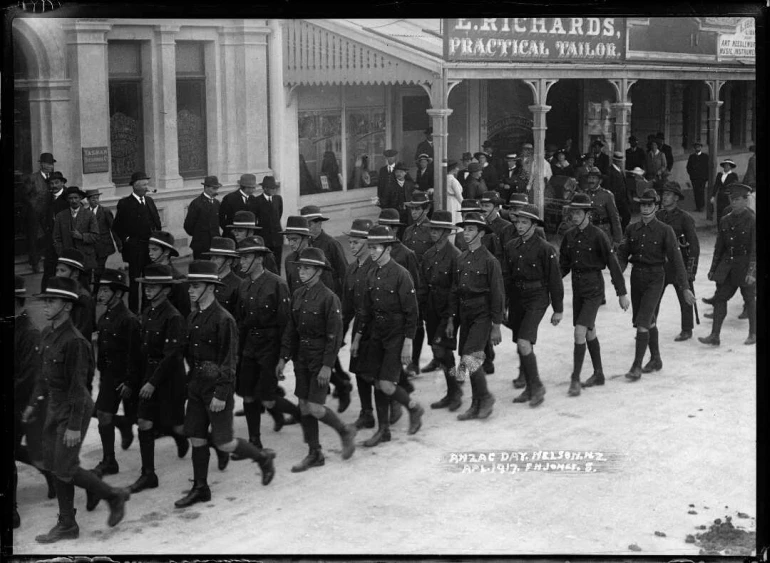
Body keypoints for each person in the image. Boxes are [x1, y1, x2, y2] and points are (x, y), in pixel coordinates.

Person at [23, 276, 130, 543]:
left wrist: (73, 425)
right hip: (54, 406)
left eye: (52, 301)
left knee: (64, 466)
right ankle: (78, 514)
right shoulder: (48, 334)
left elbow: (79, 388)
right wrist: (33, 403)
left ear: (68, 306)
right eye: (45, 300)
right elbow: (42, 376)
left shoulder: (76, 342)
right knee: (56, 464)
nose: (46, 305)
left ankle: (103, 501)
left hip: (73, 409)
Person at [175, 261, 276, 508]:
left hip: (217, 389)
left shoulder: (224, 320)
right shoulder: (193, 316)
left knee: (224, 442)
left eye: (195, 286)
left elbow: (229, 361)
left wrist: (221, 393)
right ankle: (201, 488)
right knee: (196, 437)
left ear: (210, 287)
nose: (190, 290)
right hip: (197, 387)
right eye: (190, 286)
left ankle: (262, 458)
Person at [278, 248, 356, 471]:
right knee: (303, 405)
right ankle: (315, 453)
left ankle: (344, 431)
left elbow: (335, 335)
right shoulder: (298, 294)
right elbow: (291, 329)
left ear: (319, 271)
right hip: (301, 358)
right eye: (300, 268)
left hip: (319, 359)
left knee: (315, 407)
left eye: (307, 268)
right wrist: (283, 358)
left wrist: (327, 366)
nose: (301, 272)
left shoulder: (329, 298)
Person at [351, 226, 424, 445]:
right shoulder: (372, 273)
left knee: (386, 384)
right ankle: (383, 430)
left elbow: (412, 313)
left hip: (396, 335)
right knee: (376, 381)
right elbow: (365, 310)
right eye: (371, 247)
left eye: (377, 247)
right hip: (377, 333)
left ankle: (414, 408)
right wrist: (357, 338)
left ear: (388, 249)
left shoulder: (401, 274)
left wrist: (408, 342)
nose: (372, 251)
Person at [230, 235, 301, 459]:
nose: (241, 262)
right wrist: (237, 352)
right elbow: (241, 321)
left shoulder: (277, 284)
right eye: (240, 258)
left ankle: (299, 414)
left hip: (271, 346)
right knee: (248, 395)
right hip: (249, 346)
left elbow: (287, 324)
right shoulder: (243, 285)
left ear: (259, 259)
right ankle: (255, 442)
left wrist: (283, 357)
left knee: (267, 397)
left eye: (246, 257)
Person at [616, 188, 695, 381]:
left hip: (655, 277)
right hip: (637, 277)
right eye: (642, 205)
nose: (645, 208)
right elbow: (623, 255)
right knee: (646, 320)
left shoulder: (665, 230)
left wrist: (685, 287)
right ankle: (656, 359)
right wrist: (618, 275)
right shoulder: (631, 229)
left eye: (649, 205)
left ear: (656, 206)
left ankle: (636, 366)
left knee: (643, 322)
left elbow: (677, 260)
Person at [129, 264, 193, 494]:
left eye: (153, 286)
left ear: (165, 290)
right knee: (144, 422)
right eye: (146, 286)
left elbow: (172, 355)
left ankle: (212, 444)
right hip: (151, 373)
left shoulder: (173, 317)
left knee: (177, 425)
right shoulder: (148, 312)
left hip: (170, 379)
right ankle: (148, 474)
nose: (147, 290)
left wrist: (152, 383)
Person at [558, 194, 629, 395]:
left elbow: (613, 265)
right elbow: (563, 266)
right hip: (577, 287)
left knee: (579, 331)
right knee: (589, 331)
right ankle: (599, 374)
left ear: (588, 214)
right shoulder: (569, 236)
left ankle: (575, 379)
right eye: (572, 213)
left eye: (578, 213)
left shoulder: (599, 236)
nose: (574, 216)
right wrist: (549, 283)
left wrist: (621, 293)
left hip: (594, 288)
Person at [502, 205, 564, 407]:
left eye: (524, 222)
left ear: (534, 225)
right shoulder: (511, 246)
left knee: (523, 342)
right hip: (517, 298)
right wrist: (503, 304)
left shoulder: (545, 249)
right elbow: (506, 278)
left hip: (537, 297)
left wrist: (558, 309)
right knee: (521, 342)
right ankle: (529, 387)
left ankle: (537, 386)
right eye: (518, 222)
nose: (519, 226)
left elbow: (555, 280)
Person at [446, 212, 503, 419]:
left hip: (482, 313)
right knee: (466, 357)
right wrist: (451, 319)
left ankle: (486, 397)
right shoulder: (461, 258)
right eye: (465, 229)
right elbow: (455, 290)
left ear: (481, 233)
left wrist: (496, 325)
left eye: (471, 229)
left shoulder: (490, 261)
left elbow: (497, 294)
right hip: (465, 313)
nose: (466, 233)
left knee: (471, 357)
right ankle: (476, 403)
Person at [89, 269, 142, 484]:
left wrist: (130, 382)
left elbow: (136, 354)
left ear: (118, 293)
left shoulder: (128, 320)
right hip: (110, 377)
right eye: (99, 290)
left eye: (105, 290)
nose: (100, 294)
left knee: (145, 419)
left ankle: (182, 437)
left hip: (126, 378)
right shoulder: (104, 317)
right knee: (103, 414)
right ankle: (109, 460)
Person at [14, 275, 56, 529]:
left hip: (19, 402)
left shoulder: (28, 333)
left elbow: (28, 378)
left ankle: (11, 509)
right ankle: (48, 470)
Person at [302, 205, 354, 410]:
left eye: (312, 223)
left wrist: (341, 305)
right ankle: (340, 381)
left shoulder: (330, 244)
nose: (309, 227)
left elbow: (345, 274)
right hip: (310, 305)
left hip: (330, 304)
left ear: (319, 224)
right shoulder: (305, 245)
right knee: (322, 349)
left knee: (326, 348)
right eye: (306, 224)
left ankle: (340, 383)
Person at [699, 184, 756, 346]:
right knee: (720, 298)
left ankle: (753, 333)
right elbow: (719, 248)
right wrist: (713, 269)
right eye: (732, 199)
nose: (734, 203)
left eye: (737, 199)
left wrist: (752, 272)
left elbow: (755, 249)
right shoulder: (725, 220)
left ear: (745, 201)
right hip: (728, 266)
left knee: (749, 300)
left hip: (744, 266)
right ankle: (715, 335)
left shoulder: (752, 220)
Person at [417, 211, 464, 411]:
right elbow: (422, 284)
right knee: (440, 351)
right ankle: (453, 390)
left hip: (448, 309)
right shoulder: (428, 255)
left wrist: (452, 317)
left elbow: (457, 288)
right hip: (431, 308)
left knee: (441, 348)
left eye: (437, 229)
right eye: (432, 229)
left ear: (447, 232)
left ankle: (455, 391)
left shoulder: (456, 256)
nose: (433, 232)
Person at [341, 218, 377, 430]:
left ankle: (400, 404)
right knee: (359, 370)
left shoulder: (376, 267)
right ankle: (367, 413)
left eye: (356, 242)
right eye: (351, 242)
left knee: (376, 373)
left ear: (368, 242)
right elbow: (347, 306)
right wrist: (340, 334)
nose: (352, 246)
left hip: (377, 326)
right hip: (360, 325)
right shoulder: (352, 269)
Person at [654, 181, 700, 342]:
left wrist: (691, 271)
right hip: (660, 266)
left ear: (676, 198)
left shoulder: (685, 218)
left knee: (685, 298)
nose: (664, 197)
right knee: (653, 298)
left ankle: (687, 329)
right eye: (663, 194)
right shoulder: (657, 216)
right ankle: (648, 326)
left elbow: (694, 247)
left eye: (668, 194)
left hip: (679, 265)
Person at [112, 171, 162, 312]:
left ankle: (146, 309)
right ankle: (133, 312)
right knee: (135, 281)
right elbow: (117, 227)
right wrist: (127, 240)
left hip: (150, 248)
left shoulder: (149, 201)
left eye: (147, 184)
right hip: (135, 249)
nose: (147, 187)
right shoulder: (125, 203)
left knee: (148, 280)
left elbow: (157, 222)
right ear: (135, 186)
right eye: (144, 185)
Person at [402, 192, 433, 376]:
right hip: (410, 283)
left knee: (431, 323)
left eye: (417, 209)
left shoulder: (432, 230)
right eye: (412, 209)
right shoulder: (408, 231)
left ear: (426, 209)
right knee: (415, 322)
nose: (413, 212)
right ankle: (414, 363)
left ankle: (438, 358)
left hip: (426, 284)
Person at [52, 186, 99, 287]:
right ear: (67, 200)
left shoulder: (89, 215)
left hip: (85, 258)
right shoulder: (61, 216)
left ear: (80, 198)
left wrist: (82, 236)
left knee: (85, 285)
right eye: (70, 198)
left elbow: (95, 236)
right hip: (68, 258)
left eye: (76, 198)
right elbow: (56, 238)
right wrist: (62, 253)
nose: (73, 201)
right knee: (69, 286)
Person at [23, 152, 56, 274]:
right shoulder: (32, 178)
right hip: (34, 213)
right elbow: (24, 196)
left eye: (51, 164)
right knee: (33, 238)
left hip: (48, 213)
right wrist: (34, 206)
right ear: (41, 164)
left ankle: (48, 260)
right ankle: (35, 263)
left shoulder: (54, 178)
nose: (50, 166)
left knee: (49, 237)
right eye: (48, 164)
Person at [146, 231, 191, 319]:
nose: (150, 253)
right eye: (149, 249)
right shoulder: (150, 274)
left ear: (166, 251)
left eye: (155, 249)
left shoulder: (178, 280)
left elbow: (184, 312)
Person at [40, 171, 70, 292]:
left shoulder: (68, 198)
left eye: (56, 183)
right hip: (50, 239)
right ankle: (46, 292)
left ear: (62, 183)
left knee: (65, 267)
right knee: (49, 267)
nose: (54, 186)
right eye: (51, 183)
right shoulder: (48, 197)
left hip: (65, 240)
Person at [225, 210, 279, 276]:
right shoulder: (234, 252)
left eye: (240, 231)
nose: (236, 234)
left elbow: (273, 278)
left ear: (251, 231)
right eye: (234, 231)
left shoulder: (264, 254)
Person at [86, 189, 120, 294]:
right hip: (90, 247)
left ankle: (96, 292)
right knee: (88, 270)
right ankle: (88, 292)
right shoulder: (85, 212)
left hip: (103, 245)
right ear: (88, 200)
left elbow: (113, 228)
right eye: (93, 199)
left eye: (97, 198)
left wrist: (119, 243)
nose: (95, 200)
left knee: (99, 270)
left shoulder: (105, 211)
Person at [581, 167, 623, 248]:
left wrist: (617, 239)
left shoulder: (607, 195)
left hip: (603, 232)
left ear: (600, 181)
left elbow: (614, 217)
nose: (591, 180)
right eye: (589, 178)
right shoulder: (583, 194)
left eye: (594, 178)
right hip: (587, 232)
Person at [184, 175, 222, 260]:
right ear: (206, 188)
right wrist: (199, 235)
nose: (216, 191)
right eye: (214, 188)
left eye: (217, 188)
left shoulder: (217, 203)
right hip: (200, 245)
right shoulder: (196, 203)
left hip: (215, 244)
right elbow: (188, 225)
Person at [253, 175, 284, 273]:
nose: (274, 190)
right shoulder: (257, 201)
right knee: (266, 264)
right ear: (265, 188)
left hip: (277, 237)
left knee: (277, 264)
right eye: (271, 188)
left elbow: (279, 214)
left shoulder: (278, 199)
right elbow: (255, 220)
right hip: (264, 238)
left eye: (275, 188)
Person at [380, 162, 415, 237]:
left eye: (401, 172)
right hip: (395, 216)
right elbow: (385, 203)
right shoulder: (389, 186)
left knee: (408, 234)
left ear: (406, 173)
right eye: (397, 172)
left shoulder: (410, 185)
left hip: (408, 215)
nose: (399, 174)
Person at [219, 173, 258, 240]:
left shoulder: (253, 199)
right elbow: (221, 217)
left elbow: (255, 217)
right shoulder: (229, 198)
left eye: (254, 187)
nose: (254, 190)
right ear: (245, 187)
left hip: (248, 237)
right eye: (252, 188)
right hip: (231, 236)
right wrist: (229, 230)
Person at [605, 152, 632, 232]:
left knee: (627, 216)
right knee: (617, 217)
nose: (621, 162)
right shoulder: (610, 171)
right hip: (616, 199)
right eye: (620, 161)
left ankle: (621, 231)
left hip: (623, 199)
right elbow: (608, 186)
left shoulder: (620, 170)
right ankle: (618, 232)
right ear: (616, 161)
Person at [711, 159, 740, 224]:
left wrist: (734, 196)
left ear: (731, 167)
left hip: (728, 196)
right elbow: (716, 185)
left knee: (728, 211)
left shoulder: (734, 175)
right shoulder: (720, 174)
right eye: (725, 165)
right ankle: (720, 226)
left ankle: (728, 226)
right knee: (719, 212)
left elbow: (735, 186)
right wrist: (713, 196)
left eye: (728, 165)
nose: (726, 166)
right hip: (720, 196)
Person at [686, 140, 709, 212]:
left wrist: (706, 177)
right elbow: (688, 167)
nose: (697, 148)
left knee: (701, 192)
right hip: (694, 178)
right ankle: (698, 207)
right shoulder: (692, 157)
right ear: (694, 148)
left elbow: (707, 167)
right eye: (696, 147)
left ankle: (702, 206)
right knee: (696, 192)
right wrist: (691, 175)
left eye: (699, 147)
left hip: (702, 178)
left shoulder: (705, 156)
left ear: (701, 148)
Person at [445, 160, 464, 227]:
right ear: (453, 169)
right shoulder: (453, 180)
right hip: (454, 202)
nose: (458, 169)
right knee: (454, 219)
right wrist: (464, 205)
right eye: (457, 167)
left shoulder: (445, 179)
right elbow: (458, 195)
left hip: (447, 201)